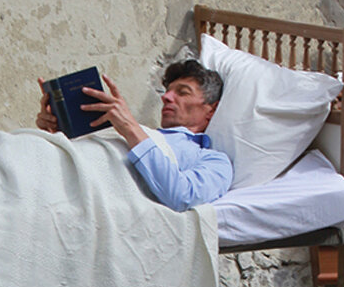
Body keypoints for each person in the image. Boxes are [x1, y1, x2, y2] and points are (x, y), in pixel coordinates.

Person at [36, 59, 232, 211]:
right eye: (168, 91)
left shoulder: (213, 160)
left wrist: (130, 128)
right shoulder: (146, 134)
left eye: (183, 92)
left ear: (211, 110)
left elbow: (182, 197)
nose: (166, 97)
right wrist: (54, 133)